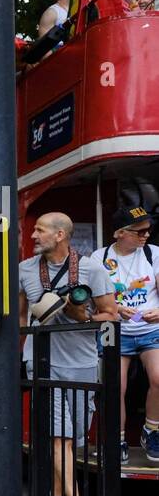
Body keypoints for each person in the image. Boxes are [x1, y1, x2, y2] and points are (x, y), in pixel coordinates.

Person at [19, 213, 117, 496]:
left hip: (82, 362)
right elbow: (21, 317)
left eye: (39, 230)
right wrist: (22, 348)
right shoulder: (25, 270)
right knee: (58, 436)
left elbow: (111, 315)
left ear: (60, 235)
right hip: (43, 361)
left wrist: (79, 315)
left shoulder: (91, 269)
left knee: (72, 439)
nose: (33, 235)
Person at [89, 183, 159, 463]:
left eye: (147, 230)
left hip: (151, 329)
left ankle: (152, 431)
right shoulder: (100, 257)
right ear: (120, 233)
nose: (146, 235)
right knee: (114, 387)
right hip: (114, 330)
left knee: (158, 378)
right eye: (139, 231)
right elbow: (94, 301)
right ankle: (115, 439)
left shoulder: (154, 253)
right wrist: (116, 307)